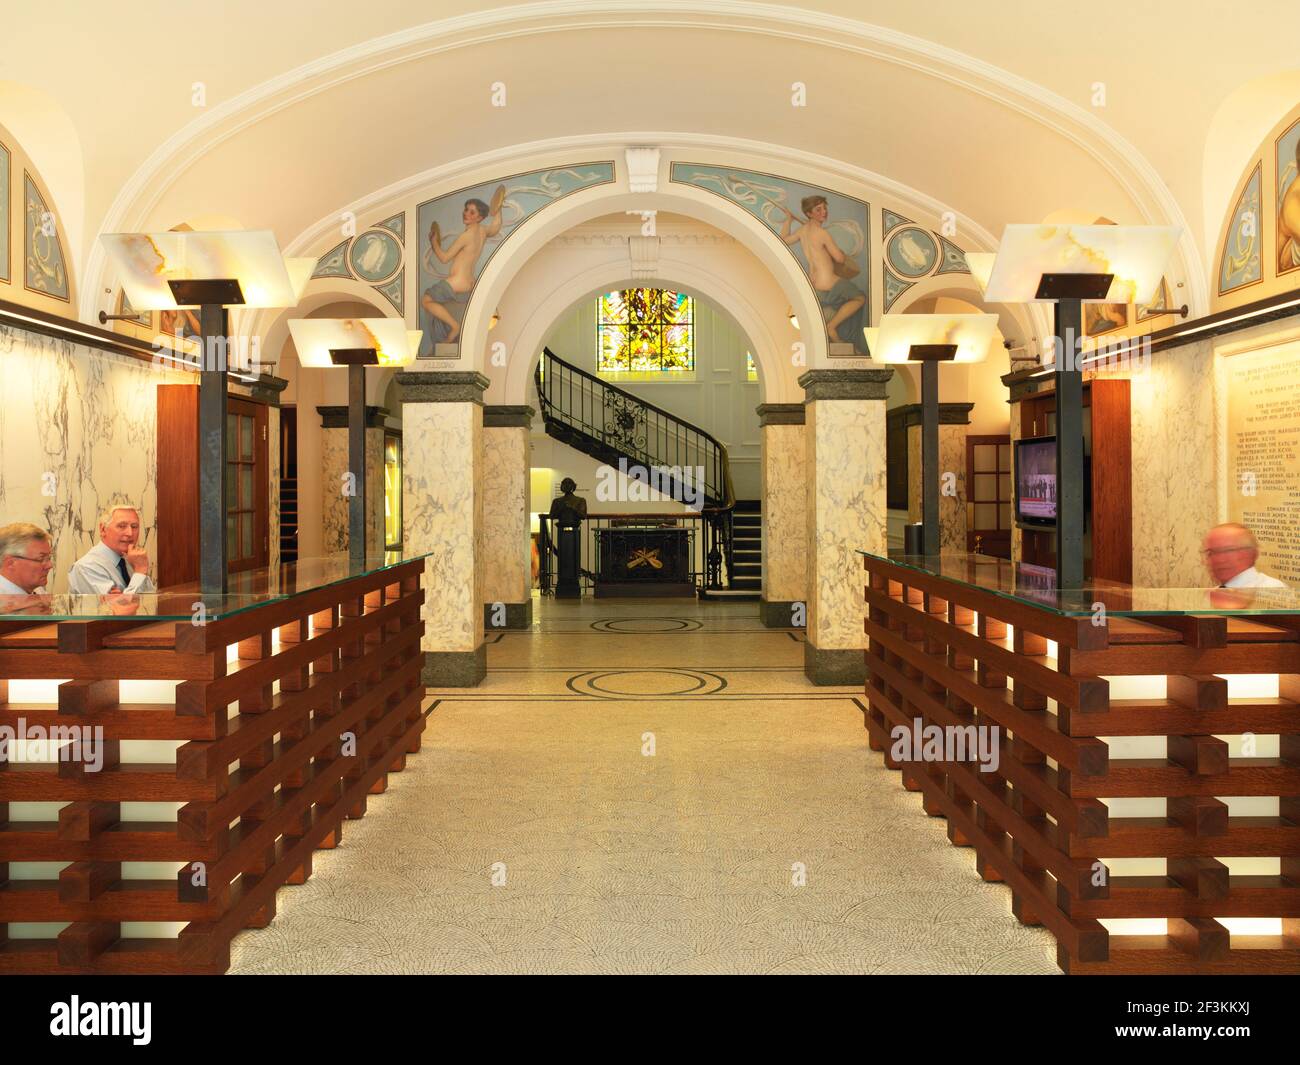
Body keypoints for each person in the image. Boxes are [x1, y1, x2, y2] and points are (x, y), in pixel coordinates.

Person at [421, 185, 506, 348]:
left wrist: (434, 243)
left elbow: (444, 258)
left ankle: (454, 326)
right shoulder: (482, 231)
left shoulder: (466, 235)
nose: (466, 213)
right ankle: (455, 328)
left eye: (472, 212)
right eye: (466, 209)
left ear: (480, 217)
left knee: (426, 300)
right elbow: (495, 228)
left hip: (457, 282)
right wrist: (499, 208)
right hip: (469, 283)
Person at [780, 194, 866, 347]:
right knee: (860, 298)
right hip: (829, 283)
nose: (824, 212)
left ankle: (831, 329)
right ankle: (831, 327)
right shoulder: (823, 234)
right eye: (818, 209)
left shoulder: (802, 230)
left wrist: (788, 220)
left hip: (814, 284)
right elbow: (839, 259)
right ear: (809, 214)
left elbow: (783, 241)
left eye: (824, 208)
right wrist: (838, 250)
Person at [68, 506, 155, 594]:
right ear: (103, 529)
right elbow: (119, 607)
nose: (130, 533)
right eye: (122, 526)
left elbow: (149, 602)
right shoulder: (86, 567)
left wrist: (138, 573)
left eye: (134, 526)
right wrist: (140, 571)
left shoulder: (131, 561)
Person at [1201, 522, 1286, 589]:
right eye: (1211, 552)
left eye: (1228, 550)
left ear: (1252, 553)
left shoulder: (1272, 592)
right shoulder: (1210, 595)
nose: (1219, 559)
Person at [0, 523, 54, 602]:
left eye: (48, 558)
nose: (50, 565)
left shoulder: (37, 590)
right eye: (41, 559)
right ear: (11, 563)